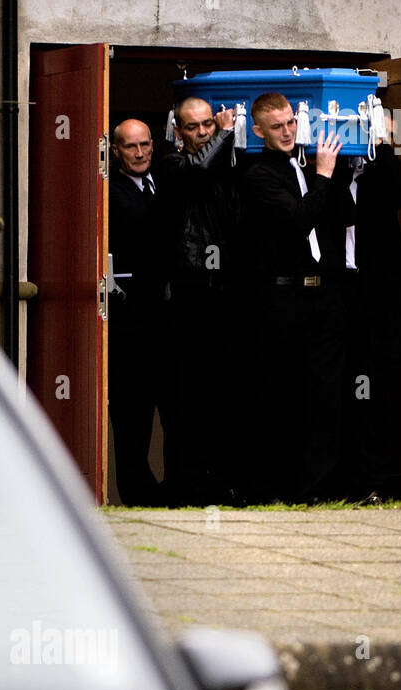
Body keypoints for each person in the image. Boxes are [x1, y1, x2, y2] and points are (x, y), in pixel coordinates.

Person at [241, 92, 355, 503]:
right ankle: (280, 490)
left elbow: (344, 215)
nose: (288, 132)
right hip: (284, 301)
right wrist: (324, 176)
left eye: (291, 122)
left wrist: (336, 173)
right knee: (286, 395)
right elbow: (296, 222)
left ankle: (319, 491)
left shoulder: (312, 162)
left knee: (326, 396)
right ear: (258, 132)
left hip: (325, 298)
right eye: (277, 127)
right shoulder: (259, 176)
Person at [159, 97, 239, 505]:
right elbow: (197, 171)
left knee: (222, 393)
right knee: (187, 395)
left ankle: (220, 483)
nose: (203, 132)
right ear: (178, 132)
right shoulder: (171, 165)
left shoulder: (225, 159)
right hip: (188, 292)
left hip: (223, 290)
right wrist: (226, 134)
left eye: (209, 124)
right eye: (193, 127)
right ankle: (185, 487)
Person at [335, 125, 401, 502]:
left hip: (376, 305)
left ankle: (371, 484)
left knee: (373, 395)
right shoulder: (326, 172)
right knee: (338, 393)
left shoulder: (380, 177)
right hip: (336, 301)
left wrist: (382, 145)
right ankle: (338, 479)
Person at [107, 118, 170, 506]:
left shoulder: (159, 181)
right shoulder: (109, 192)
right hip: (130, 318)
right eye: (131, 147)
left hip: (164, 318)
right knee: (131, 411)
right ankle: (136, 493)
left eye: (146, 144)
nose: (141, 152)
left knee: (163, 404)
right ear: (115, 152)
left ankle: (164, 487)